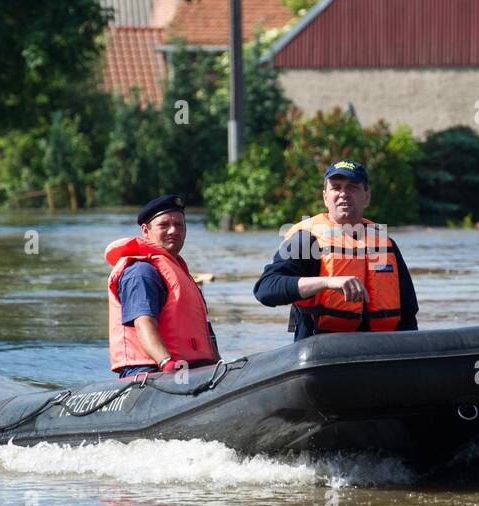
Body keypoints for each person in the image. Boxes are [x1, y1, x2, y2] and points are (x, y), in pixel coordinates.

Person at [253, 160, 419, 340]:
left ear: (367, 196)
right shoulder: (306, 240)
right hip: (322, 354)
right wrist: (328, 282)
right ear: (325, 197)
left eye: (352, 187)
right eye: (336, 187)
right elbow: (266, 289)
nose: (343, 194)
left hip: (378, 353)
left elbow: (408, 317)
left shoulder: (386, 245)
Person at [104, 194, 220, 377]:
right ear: (145, 230)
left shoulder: (181, 274)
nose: (173, 230)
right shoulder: (141, 273)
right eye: (164, 225)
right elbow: (144, 324)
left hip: (192, 369)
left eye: (179, 225)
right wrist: (167, 364)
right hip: (152, 373)